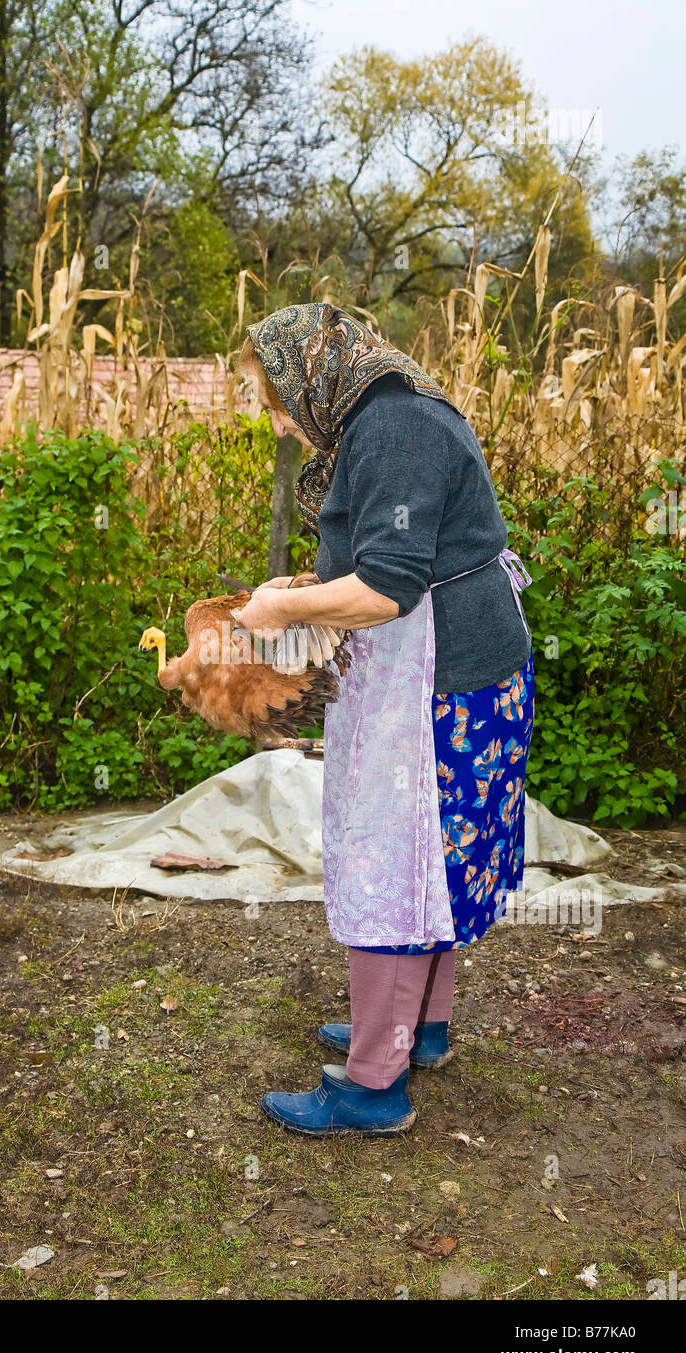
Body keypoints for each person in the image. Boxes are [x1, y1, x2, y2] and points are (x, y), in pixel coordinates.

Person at [234, 303, 534, 1137]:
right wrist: (302, 590)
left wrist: (276, 614)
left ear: (309, 374)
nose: (281, 422)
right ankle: (416, 1031)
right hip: (459, 671)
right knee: (427, 860)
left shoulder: (395, 428)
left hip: (439, 683)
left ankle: (373, 1085)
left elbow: (385, 589)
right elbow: (385, 556)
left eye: (275, 400)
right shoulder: (385, 412)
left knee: (392, 860)